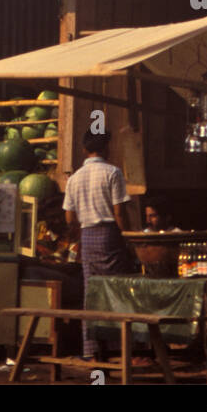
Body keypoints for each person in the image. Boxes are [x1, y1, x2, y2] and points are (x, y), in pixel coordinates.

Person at [63, 129, 138, 360]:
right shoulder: (113, 172)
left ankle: (93, 350)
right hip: (109, 236)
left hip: (87, 238)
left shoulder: (74, 178)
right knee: (117, 290)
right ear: (106, 148)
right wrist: (129, 239)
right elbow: (119, 214)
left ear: (85, 150)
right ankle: (120, 349)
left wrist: (79, 231)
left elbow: (69, 218)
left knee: (92, 292)